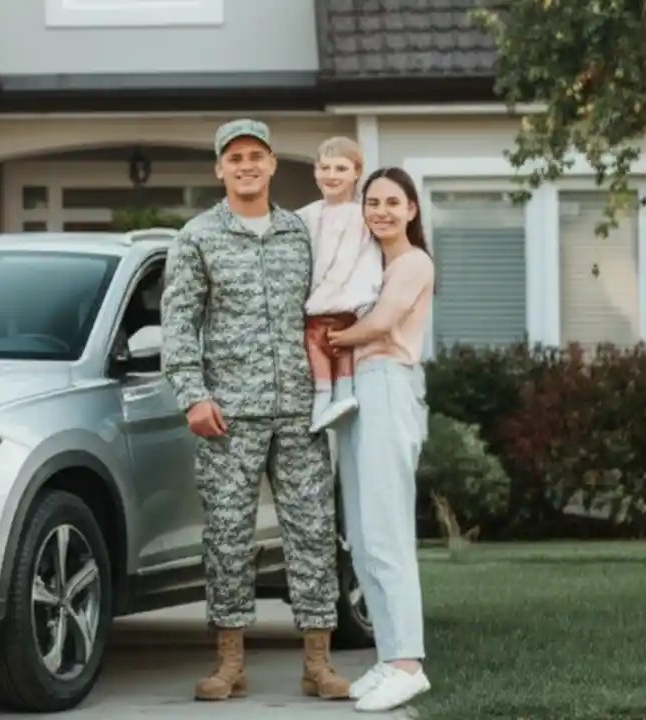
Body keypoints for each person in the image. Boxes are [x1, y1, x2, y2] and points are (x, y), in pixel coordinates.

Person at [161, 118, 350, 702]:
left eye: (256, 156)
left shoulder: (300, 233)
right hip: (228, 416)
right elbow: (178, 322)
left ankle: (318, 664)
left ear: (272, 165)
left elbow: (329, 302)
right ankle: (230, 662)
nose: (246, 165)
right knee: (226, 536)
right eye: (234, 157)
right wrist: (192, 395)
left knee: (313, 531)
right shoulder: (196, 237)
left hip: (298, 410)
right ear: (220, 169)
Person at [326, 166, 435, 713]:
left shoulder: (413, 263)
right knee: (363, 537)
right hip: (357, 390)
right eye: (373, 202)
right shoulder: (371, 264)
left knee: (388, 532)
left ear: (412, 210)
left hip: (388, 386)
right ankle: (389, 656)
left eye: (394, 201)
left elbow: (383, 322)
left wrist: (331, 335)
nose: (382, 211)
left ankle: (409, 663)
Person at [296, 137, 384, 434]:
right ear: (315, 171)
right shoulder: (305, 216)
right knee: (316, 345)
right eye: (325, 167)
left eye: (341, 168)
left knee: (340, 347)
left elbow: (363, 262)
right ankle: (324, 398)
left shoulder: (362, 217)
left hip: (342, 304)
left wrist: (359, 300)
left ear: (356, 172)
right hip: (313, 306)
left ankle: (343, 394)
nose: (332, 175)